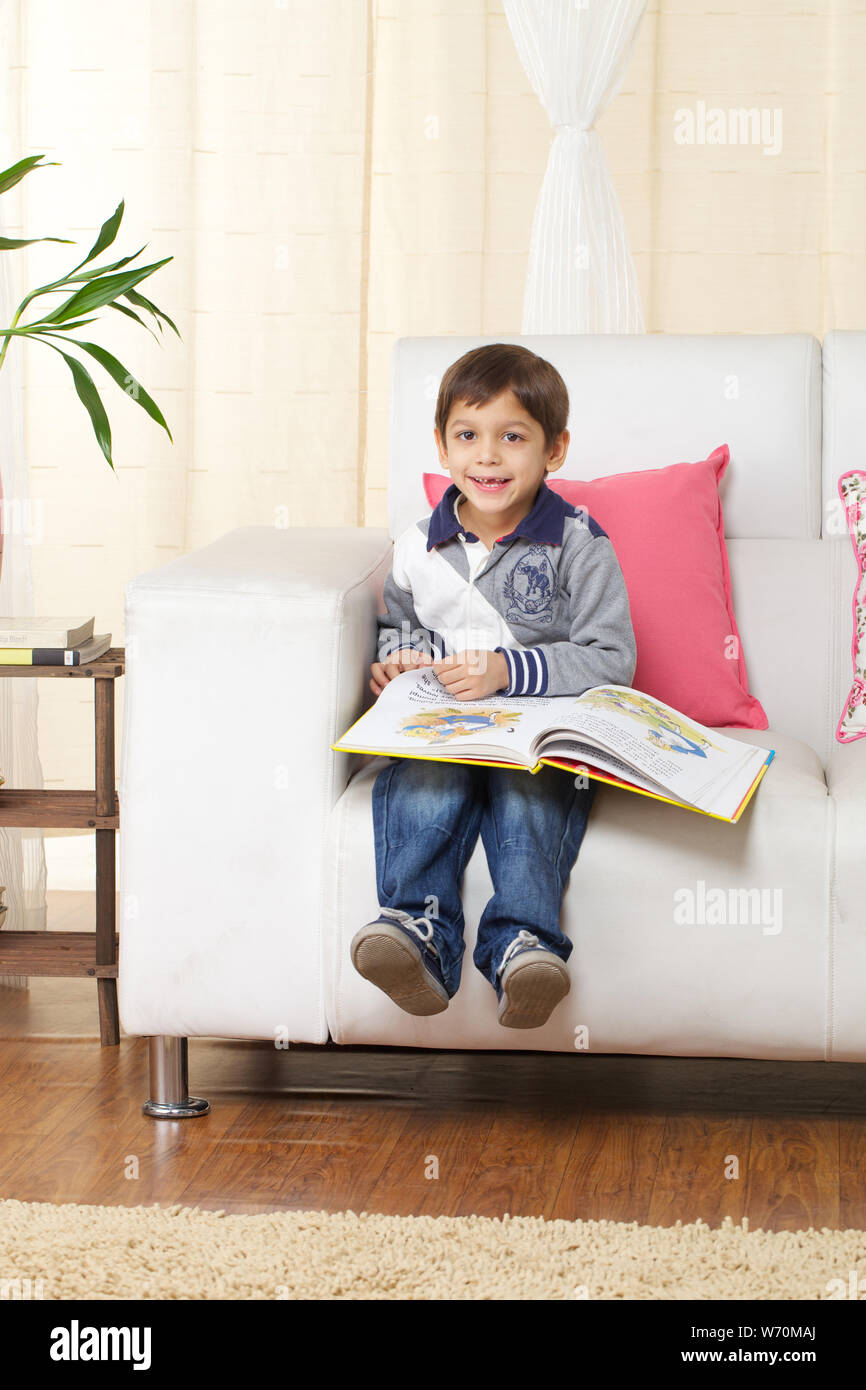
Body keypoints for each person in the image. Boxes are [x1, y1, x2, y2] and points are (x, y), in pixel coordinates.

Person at [349, 343, 637, 1028]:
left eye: (513, 438)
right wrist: (399, 662)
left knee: (530, 795)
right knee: (426, 780)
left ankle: (523, 944)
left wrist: (510, 671)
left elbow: (611, 656)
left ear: (554, 450)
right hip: (449, 727)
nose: (488, 457)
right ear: (443, 448)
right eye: (468, 436)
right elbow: (401, 625)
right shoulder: (420, 545)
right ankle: (418, 932)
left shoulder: (577, 541)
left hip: (537, 733)